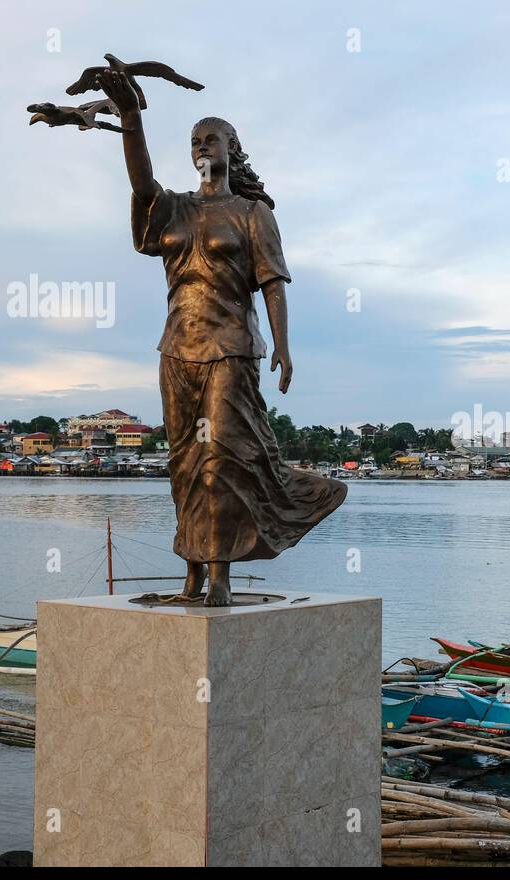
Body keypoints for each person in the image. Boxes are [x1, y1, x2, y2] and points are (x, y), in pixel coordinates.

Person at [99, 69, 346, 605]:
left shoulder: (253, 213)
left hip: (231, 348)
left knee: (221, 459)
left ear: (232, 149)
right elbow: (141, 184)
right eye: (194, 140)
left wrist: (282, 346)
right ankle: (191, 574)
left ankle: (221, 576)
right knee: (185, 459)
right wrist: (131, 122)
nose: (201, 146)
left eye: (211, 138)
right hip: (177, 349)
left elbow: (273, 283)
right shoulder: (175, 208)